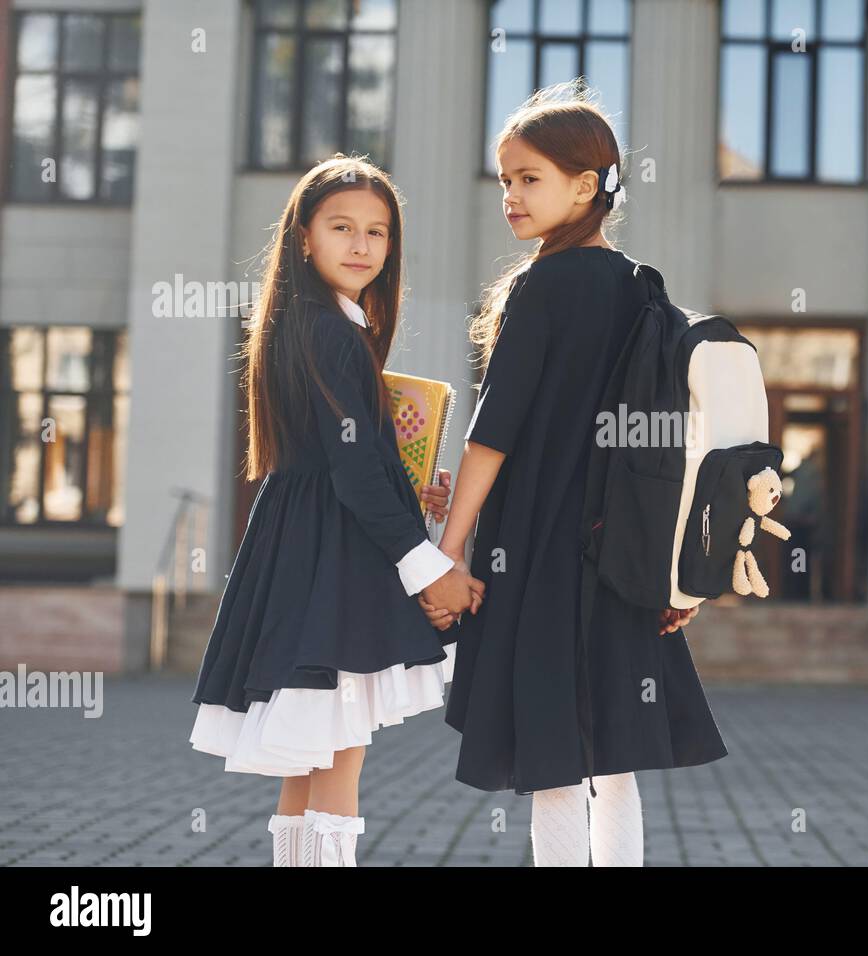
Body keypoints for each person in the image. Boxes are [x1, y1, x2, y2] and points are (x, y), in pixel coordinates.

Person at [419, 82, 726, 867]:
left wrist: (449, 550)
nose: (512, 197)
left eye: (530, 179)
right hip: (624, 552)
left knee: (551, 754)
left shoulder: (540, 287)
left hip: (541, 550)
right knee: (615, 756)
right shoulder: (642, 289)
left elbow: (495, 433)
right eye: (505, 181)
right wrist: (674, 566)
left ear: (586, 186)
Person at [188, 154, 485, 866]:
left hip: (308, 553)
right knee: (338, 764)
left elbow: (342, 464)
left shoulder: (313, 324)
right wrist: (430, 569)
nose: (361, 245)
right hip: (333, 567)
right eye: (342, 227)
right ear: (304, 238)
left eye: (377, 232)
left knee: (311, 768)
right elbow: (351, 477)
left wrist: (407, 489)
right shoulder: (329, 331)